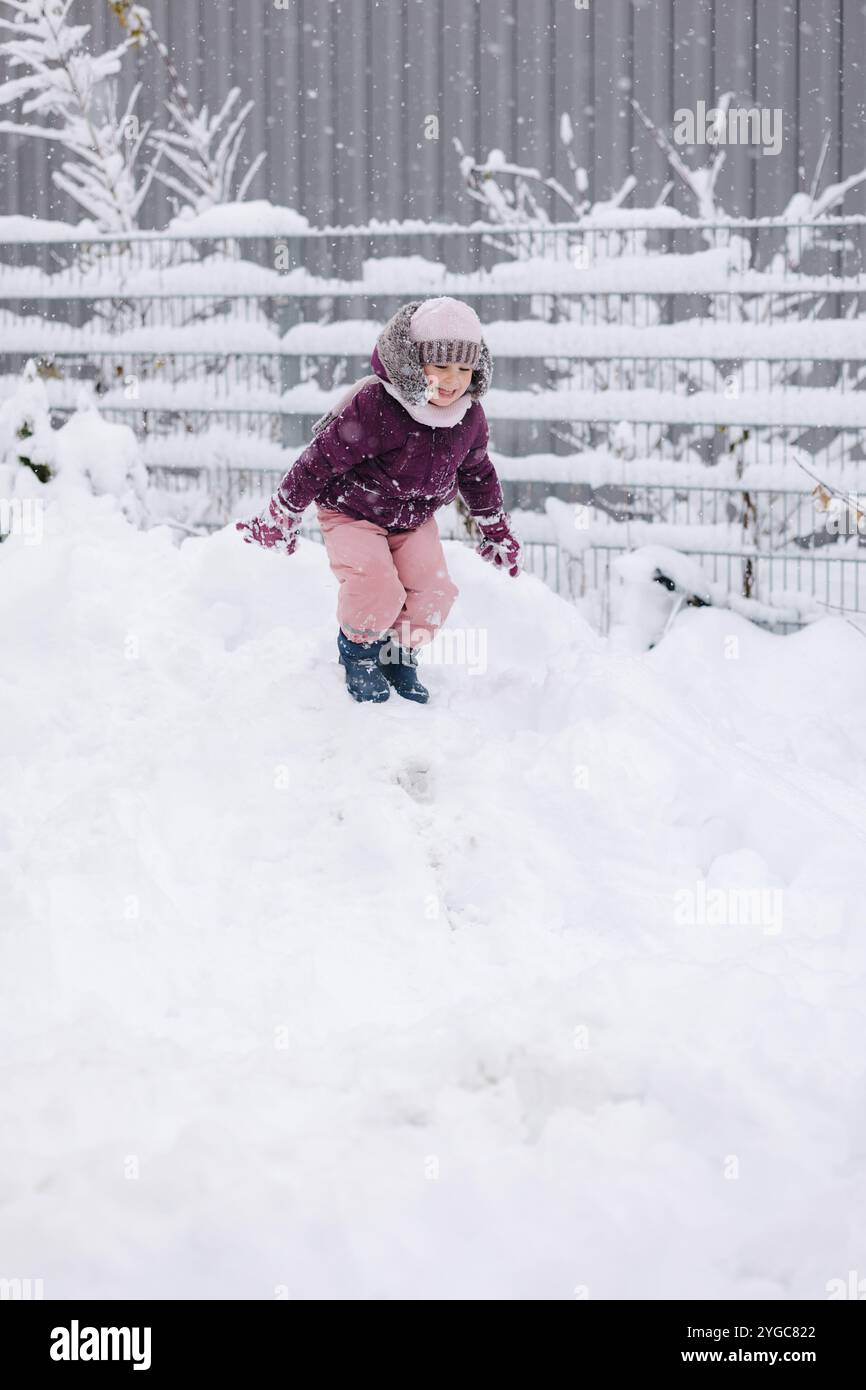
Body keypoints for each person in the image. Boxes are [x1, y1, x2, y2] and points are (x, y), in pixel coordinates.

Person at [236, 296, 522, 704]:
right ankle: (359, 653)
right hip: (353, 511)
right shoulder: (379, 407)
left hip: (414, 518)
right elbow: (320, 458)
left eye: (464, 367)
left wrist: (495, 530)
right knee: (377, 586)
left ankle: (397, 655)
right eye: (440, 365)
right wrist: (284, 512)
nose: (453, 379)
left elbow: (477, 472)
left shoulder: (468, 417)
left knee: (435, 593)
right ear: (412, 361)